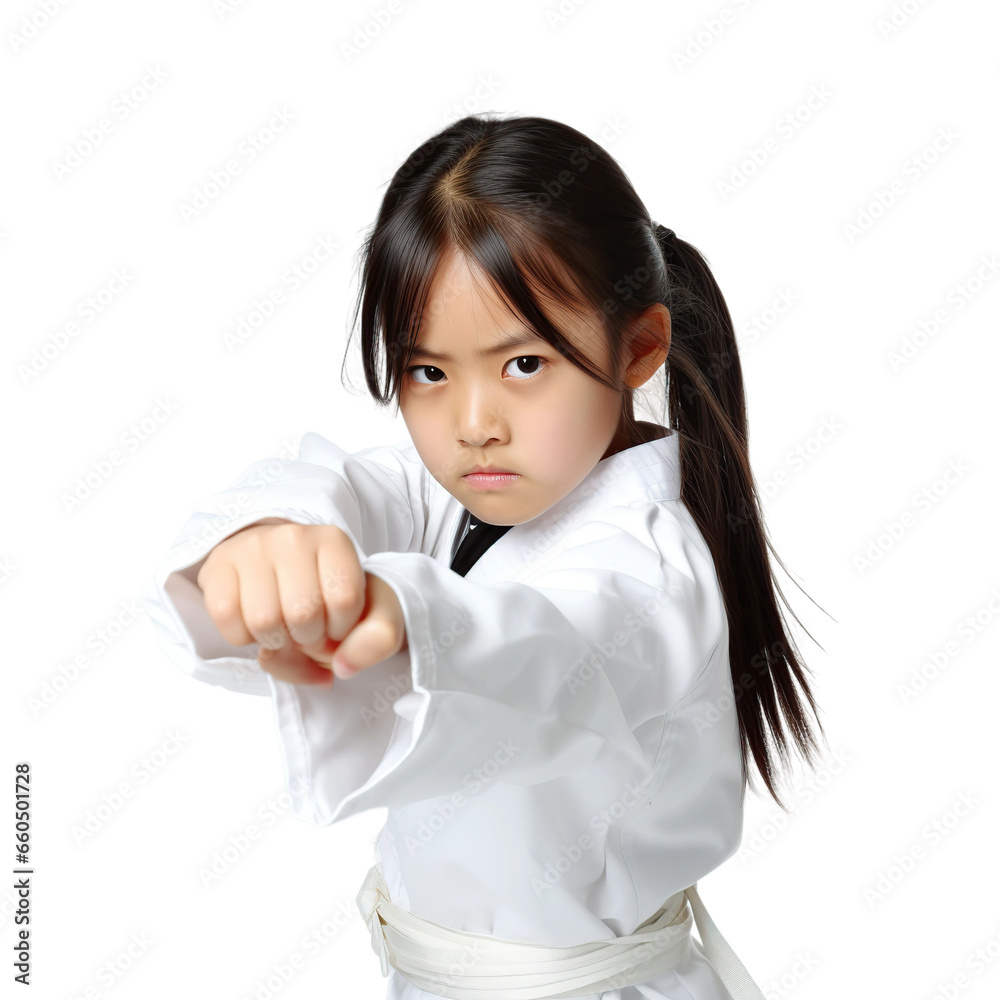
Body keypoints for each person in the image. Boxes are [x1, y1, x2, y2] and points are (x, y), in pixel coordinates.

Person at [143, 114, 827, 1000]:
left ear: (639, 348)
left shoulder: (647, 576)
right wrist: (272, 537)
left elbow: (550, 648)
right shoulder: (470, 492)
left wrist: (407, 625)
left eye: (524, 365)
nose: (472, 424)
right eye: (430, 373)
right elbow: (337, 484)